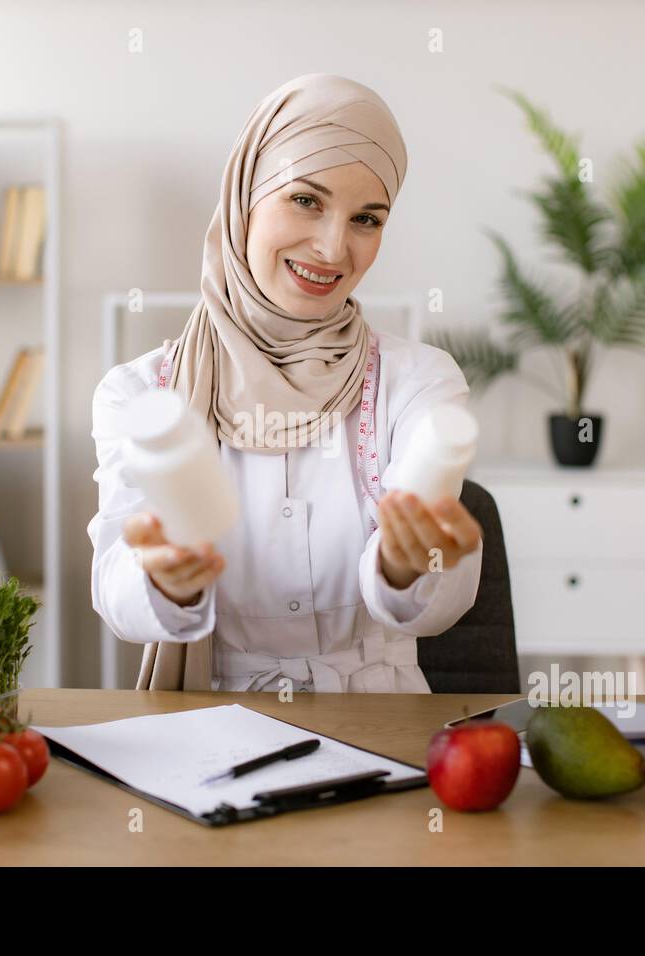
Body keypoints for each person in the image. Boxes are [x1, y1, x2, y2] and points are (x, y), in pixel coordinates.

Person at [88, 73, 483, 692]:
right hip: (207, 729)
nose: (332, 247)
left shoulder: (419, 381)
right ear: (244, 197)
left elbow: (439, 603)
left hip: (382, 726)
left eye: (366, 218)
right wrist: (161, 578)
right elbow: (115, 592)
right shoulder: (141, 393)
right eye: (305, 200)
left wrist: (409, 568)